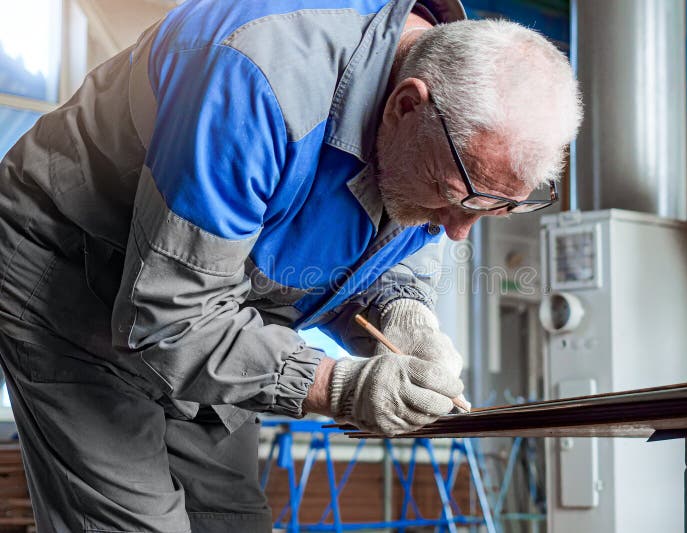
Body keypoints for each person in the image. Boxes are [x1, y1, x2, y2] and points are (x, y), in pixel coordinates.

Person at [0, 0, 582, 530]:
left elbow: (384, 237)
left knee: (230, 521)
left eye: (490, 208)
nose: (456, 231)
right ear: (407, 105)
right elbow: (170, 318)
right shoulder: (256, 79)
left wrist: (404, 311)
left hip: (218, 302)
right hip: (71, 270)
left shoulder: (444, 126)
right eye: (456, 197)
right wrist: (338, 385)